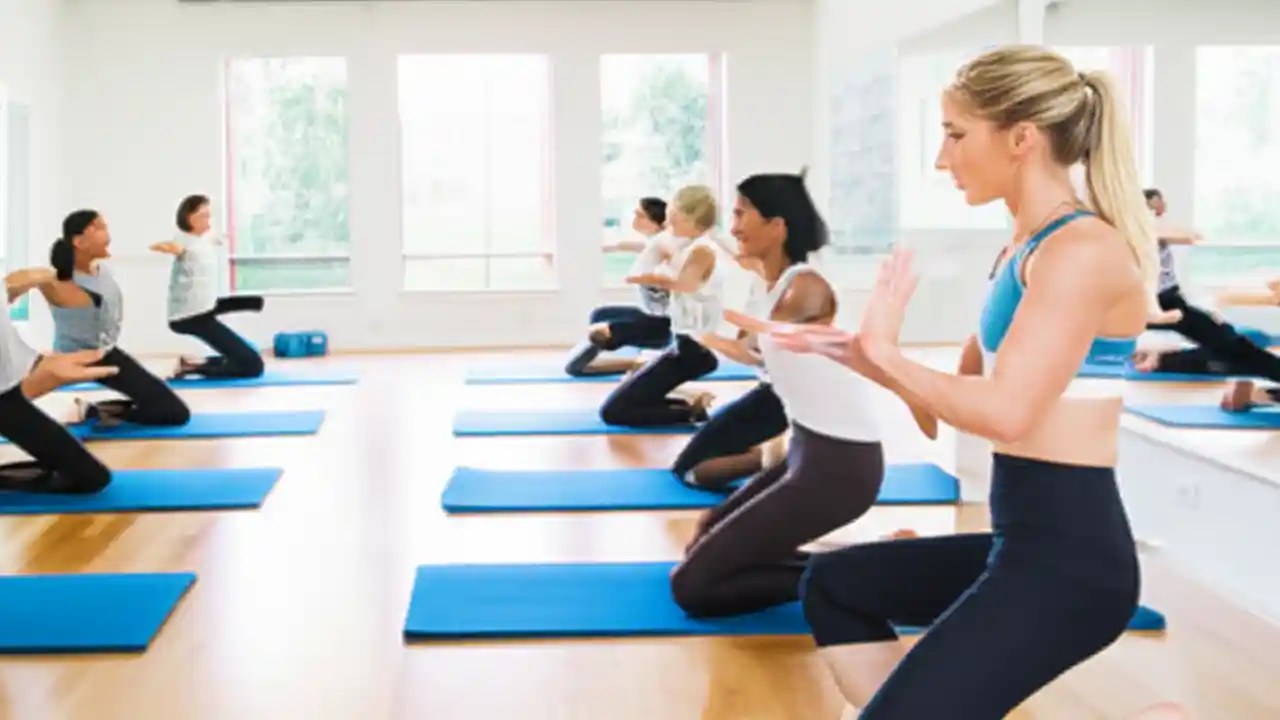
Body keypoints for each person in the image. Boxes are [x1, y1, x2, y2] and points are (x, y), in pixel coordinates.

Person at [758, 46, 1181, 718]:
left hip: (1071, 568)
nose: (942, 158)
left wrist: (887, 354)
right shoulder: (1022, 247)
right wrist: (865, 358)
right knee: (836, 583)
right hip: (1024, 543)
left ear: (1020, 138)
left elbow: (1008, 416)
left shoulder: (1079, 252)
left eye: (955, 134)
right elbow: (950, 411)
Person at [668, 171, 936, 619]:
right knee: (705, 535)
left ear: (778, 226)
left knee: (693, 587)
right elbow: (757, 348)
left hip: (838, 470)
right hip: (805, 453)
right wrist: (711, 328)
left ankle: (877, 571)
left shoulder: (806, 290)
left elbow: (850, 351)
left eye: (740, 214)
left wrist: (916, 395)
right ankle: (878, 559)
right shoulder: (774, 287)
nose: (732, 227)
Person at [42, 210, 190, 427]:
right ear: (79, 241)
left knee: (172, 410)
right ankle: (91, 412)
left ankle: (95, 410)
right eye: (99, 228)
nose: (108, 235)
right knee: (174, 413)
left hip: (106, 351)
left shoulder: (103, 271)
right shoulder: (60, 282)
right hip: (82, 357)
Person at [597, 185, 726, 427]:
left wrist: (650, 277)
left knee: (614, 412)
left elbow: (685, 284)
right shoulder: (690, 246)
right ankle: (692, 406)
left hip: (691, 351)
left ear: (689, 216)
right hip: (683, 346)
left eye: (674, 211)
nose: (668, 217)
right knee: (622, 404)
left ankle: (690, 412)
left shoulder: (702, 249)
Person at [1130, 188, 1280, 383]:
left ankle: (1162, 358)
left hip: (1169, 301)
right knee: (1233, 345)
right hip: (1158, 303)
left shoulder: (1153, 230)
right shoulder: (1141, 228)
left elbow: (1191, 236)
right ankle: (1161, 359)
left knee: (1231, 346)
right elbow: (1190, 236)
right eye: (1159, 203)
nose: (1163, 207)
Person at [0, 268, 116, 493]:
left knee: (92, 477)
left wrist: (38, 363)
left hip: (8, 390)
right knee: (91, 478)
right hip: (6, 396)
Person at [151, 194, 265, 379]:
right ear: (189, 218)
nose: (209, 220)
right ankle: (194, 370)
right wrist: (163, 247)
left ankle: (194, 363)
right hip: (190, 315)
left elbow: (217, 237)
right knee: (253, 366)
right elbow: (174, 247)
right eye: (204, 216)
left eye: (209, 215)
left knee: (255, 302)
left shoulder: (205, 237)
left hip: (205, 306)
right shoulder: (183, 241)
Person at [565, 196, 674, 376]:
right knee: (600, 315)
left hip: (661, 326)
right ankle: (636, 360)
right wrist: (610, 247)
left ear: (656, 224)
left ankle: (642, 362)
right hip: (651, 316)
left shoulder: (663, 248)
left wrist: (646, 278)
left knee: (578, 361)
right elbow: (636, 245)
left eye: (640, 215)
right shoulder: (655, 242)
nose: (634, 218)